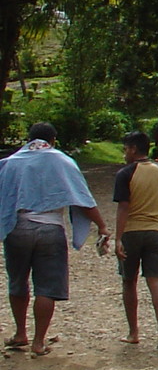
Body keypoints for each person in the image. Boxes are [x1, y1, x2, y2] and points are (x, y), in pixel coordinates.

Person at [0, 122, 110, 356]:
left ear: (28, 139)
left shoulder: (10, 163)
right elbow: (82, 198)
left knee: (18, 281)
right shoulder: (61, 161)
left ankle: (20, 333)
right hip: (50, 228)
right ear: (53, 140)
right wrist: (101, 225)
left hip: (17, 227)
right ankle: (39, 342)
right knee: (46, 287)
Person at [112, 130, 158, 349]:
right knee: (154, 279)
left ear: (133, 149)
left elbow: (123, 207)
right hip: (156, 231)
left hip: (132, 231)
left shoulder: (125, 173)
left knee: (129, 281)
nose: (124, 154)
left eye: (125, 149)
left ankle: (133, 332)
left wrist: (118, 238)